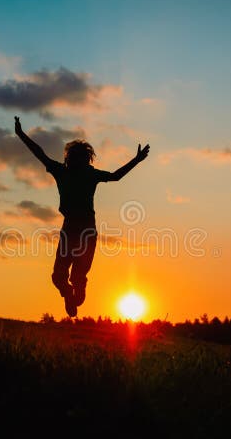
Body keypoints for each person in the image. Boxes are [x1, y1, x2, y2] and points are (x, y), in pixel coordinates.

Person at [14, 116, 150, 316]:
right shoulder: (66, 172)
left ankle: (77, 286)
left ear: (82, 160)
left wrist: (136, 160)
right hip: (74, 229)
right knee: (59, 277)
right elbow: (39, 153)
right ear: (71, 159)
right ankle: (70, 292)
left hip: (84, 230)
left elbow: (115, 176)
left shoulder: (80, 173)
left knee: (71, 276)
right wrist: (21, 135)